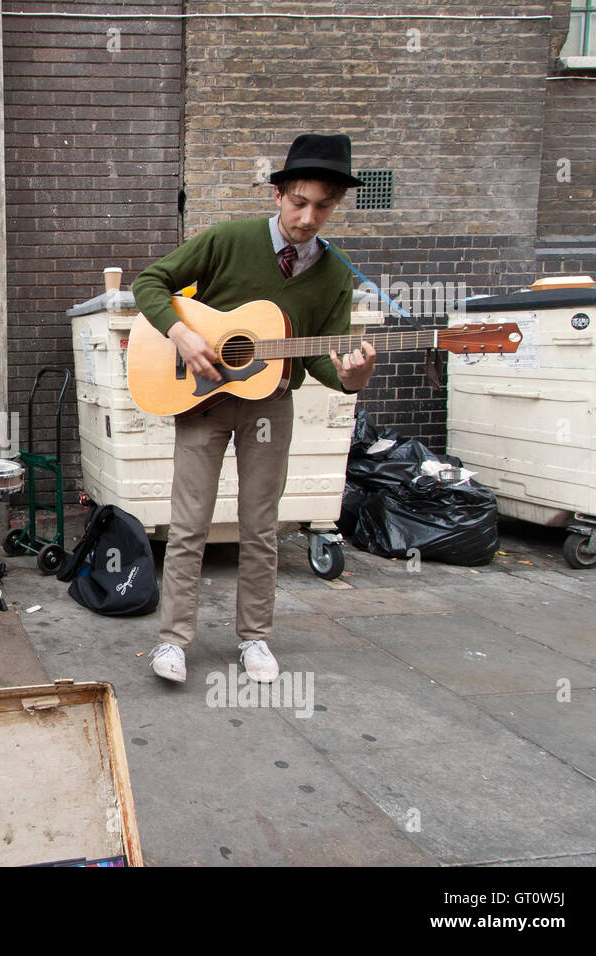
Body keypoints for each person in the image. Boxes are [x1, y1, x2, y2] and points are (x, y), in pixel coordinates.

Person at [132, 133, 377, 686]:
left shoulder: (336, 276)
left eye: (323, 206)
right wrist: (183, 336)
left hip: (271, 405)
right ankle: (173, 642)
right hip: (202, 397)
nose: (309, 217)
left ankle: (255, 638)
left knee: (260, 526)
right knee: (189, 524)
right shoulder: (228, 240)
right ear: (278, 196)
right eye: (299, 202)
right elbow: (152, 281)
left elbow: (322, 358)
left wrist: (351, 377)